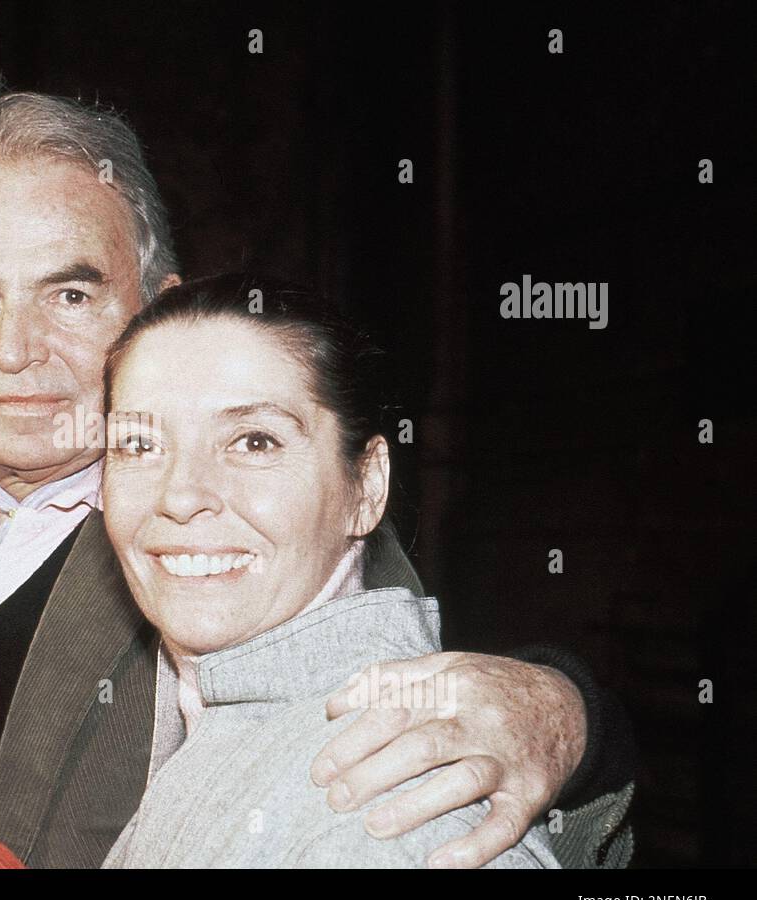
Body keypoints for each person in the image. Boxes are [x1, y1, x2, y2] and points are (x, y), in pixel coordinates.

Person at [0, 88, 634, 870]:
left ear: (156, 310)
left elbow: (418, 737)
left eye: (72, 294)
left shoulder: (219, 545)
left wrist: (569, 714)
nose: (16, 349)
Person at [99, 274, 558, 867]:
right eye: (138, 445)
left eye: (254, 441)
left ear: (366, 487)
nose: (181, 496)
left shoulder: (390, 806)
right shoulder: (213, 724)